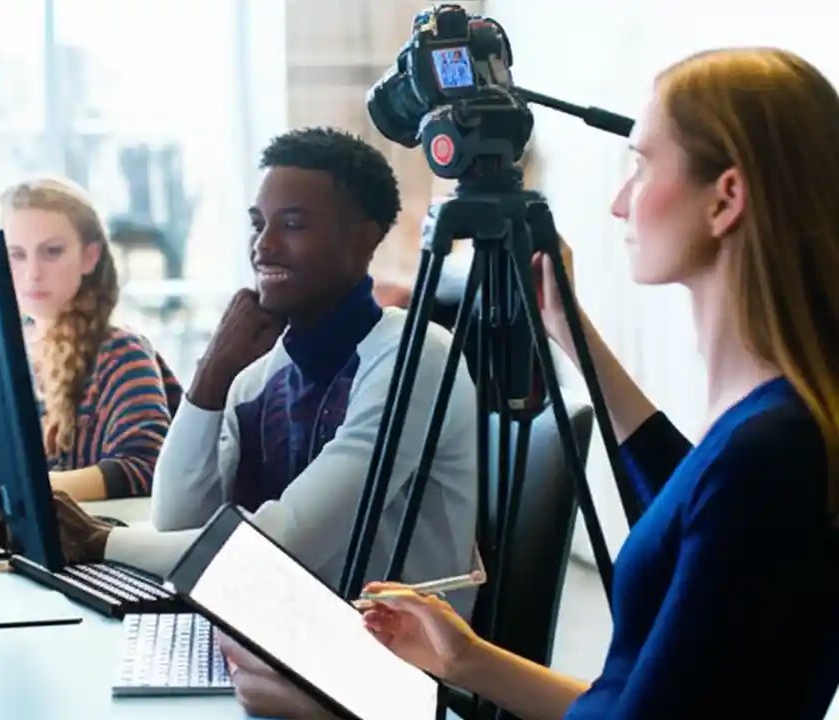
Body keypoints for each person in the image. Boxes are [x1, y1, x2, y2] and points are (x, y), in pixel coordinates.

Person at [233, 47, 839, 719]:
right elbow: (629, 694)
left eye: (640, 166)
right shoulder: (773, 429)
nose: (618, 203)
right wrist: (464, 660)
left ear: (725, 198)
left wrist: (356, 712)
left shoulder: (771, 454)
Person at [0, 127, 478, 601]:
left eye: (292, 225)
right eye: (258, 224)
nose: (263, 246)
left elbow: (283, 545)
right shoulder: (263, 372)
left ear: (363, 241)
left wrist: (99, 542)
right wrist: (210, 378)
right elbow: (178, 517)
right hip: (283, 632)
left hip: (393, 662)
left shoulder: (413, 357)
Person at [0, 176, 181, 502]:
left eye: (51, 252)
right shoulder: (12, 354)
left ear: (89, 257)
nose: (33, 273)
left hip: (96, 545)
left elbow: (145, 468)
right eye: (16, 254)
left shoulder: (123, 354)